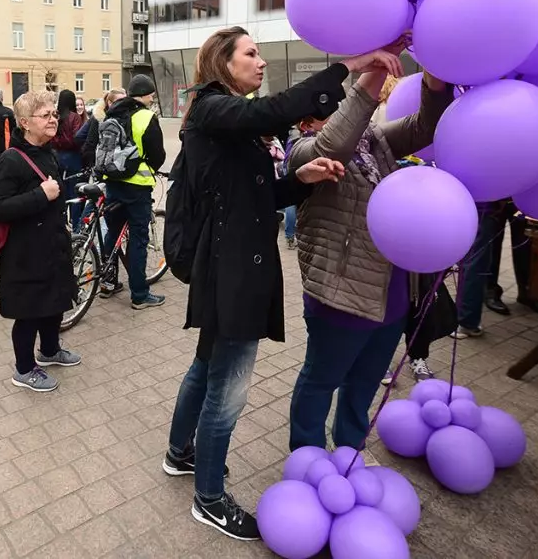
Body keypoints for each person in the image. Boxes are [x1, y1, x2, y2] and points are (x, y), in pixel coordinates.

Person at [164, 26, 394, 541]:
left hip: (232, 266)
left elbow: (251, 195)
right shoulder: (212, 108)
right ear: (223, 62)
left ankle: (180, 453)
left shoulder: (229, 123)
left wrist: (299, 181)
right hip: (231, 273)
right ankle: (208, 497)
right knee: (229, 389)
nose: (261, 62)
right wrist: (350, 67)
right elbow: (271, 112)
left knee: (205, 368)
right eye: (251, 53)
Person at [287, 52, 457, 454]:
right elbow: (337, 141)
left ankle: (348, 450)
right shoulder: (303, 152)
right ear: (306, 122)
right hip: (341, 295)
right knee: (321, 379)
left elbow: (425, 127)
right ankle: (307, 455)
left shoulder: (375, 140)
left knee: (364, 381)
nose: (344, 112)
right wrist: (375, 67)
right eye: (332, 108)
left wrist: (435, 78)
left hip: (392, 292)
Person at [0, 90, 80, 393]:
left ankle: (50, 350)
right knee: (29, 313)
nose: (54, 119)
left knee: (54, 303)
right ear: (25, 122)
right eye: (46, 115)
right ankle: (24, 369)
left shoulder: (47, 152)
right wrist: (41, 195)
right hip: (25, 252)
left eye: (54, 114)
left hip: (51, 245)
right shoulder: (11, 160)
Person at [98, 75, 166, 308]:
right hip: (137, 187)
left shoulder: (112, 113)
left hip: (112, 182)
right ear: (147, 95)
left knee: (112, 233)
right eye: (151, 96)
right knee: (138, 238)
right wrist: (152, 168)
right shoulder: (147, 116)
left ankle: (107, 284)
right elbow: (158, 154)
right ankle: (139, 294)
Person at [453, 199, 538, 339]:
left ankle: (528, 292)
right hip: (488, 204)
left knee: (524, 248)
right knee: (479, 258)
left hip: (491, 202)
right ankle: (468, 318)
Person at [52, 89, 85, 227]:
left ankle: (61, 223)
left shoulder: (55, 116)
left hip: (58, 156)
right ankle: (76, 223)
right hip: (73, 157)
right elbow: (77, 138)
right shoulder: (74, 117)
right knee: (75, 192)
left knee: (61, 191)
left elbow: (52, 137)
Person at [78, 88, 125, 171]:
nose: (123, 104)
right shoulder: (99, 119)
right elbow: (89, 143)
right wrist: (92, 167)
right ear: (110, 103)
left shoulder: (123, 117)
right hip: (100, 166)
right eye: (120, 102)